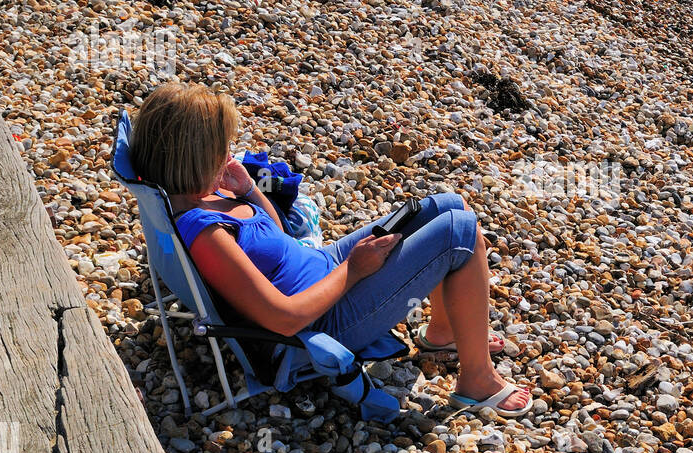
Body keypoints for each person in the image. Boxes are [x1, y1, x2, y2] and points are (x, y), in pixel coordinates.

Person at [128, 82, 531, 417]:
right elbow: (283, 319)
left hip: (323, 266)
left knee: (446, 204)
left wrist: (248, 190)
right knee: (459, 231)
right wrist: (355, 270)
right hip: (326, 316)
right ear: (192, 158)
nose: (229, 156)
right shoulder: (206, 233)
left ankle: (442, 332)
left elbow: (278, 233)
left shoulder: (199, 194)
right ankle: (477, 380)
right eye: (221, 150)